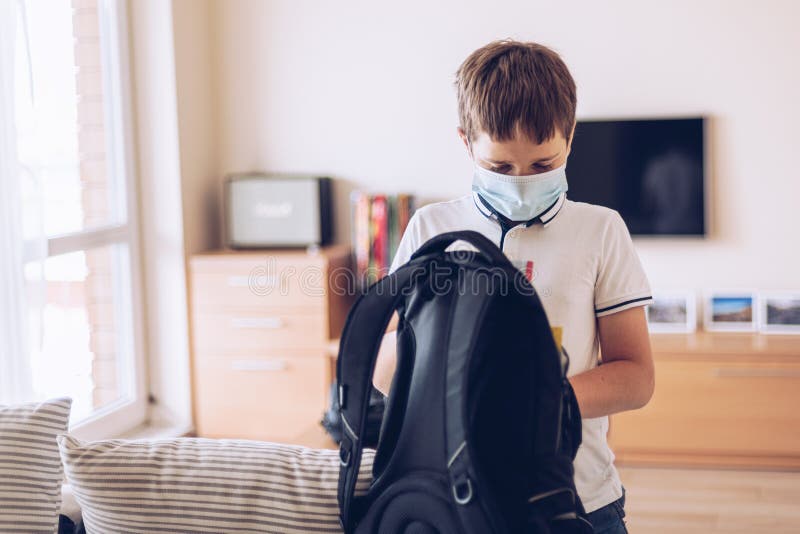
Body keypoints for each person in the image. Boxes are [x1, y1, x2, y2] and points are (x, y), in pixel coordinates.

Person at [372, 40, 655, 534]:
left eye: (543, 165)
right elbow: (384, 371)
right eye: (500, 168)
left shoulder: (602, 230)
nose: (521, 180)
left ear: (569, 138)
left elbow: (636, 377)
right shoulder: (429, 227)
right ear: (466, 143)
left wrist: (540, 400)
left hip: (580, 499)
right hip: (457, 498)